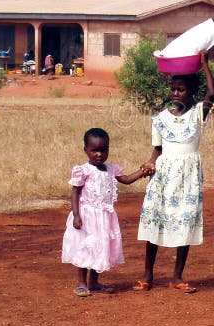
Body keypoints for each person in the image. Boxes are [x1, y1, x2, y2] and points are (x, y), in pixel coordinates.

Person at [134, 52, 214, 294]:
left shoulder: (197, 115)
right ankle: (147, 274)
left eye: (181, 89)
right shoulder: (160, 119)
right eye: (173, 89)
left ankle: (177, 277)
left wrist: (205, 65)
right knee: (155, 221)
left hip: (188, 177)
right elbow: (157, 149)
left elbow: (212, 93)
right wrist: (149, 165)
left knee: (185, 221)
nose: (175, 93)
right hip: (163, 175)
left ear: (191, 92)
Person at [62, 127, 151, 297]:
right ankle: (82, 283)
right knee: (85, 248)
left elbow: (126, 180)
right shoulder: (83, 170)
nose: (99, 154)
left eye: (104, 150)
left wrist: (142, 172)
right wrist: (76, 215)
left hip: (104, 217)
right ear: (86, 150)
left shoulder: (112, 169)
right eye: (94, 150)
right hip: (87, 216)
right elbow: (75, 192)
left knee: (101, 247)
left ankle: (94, 282)